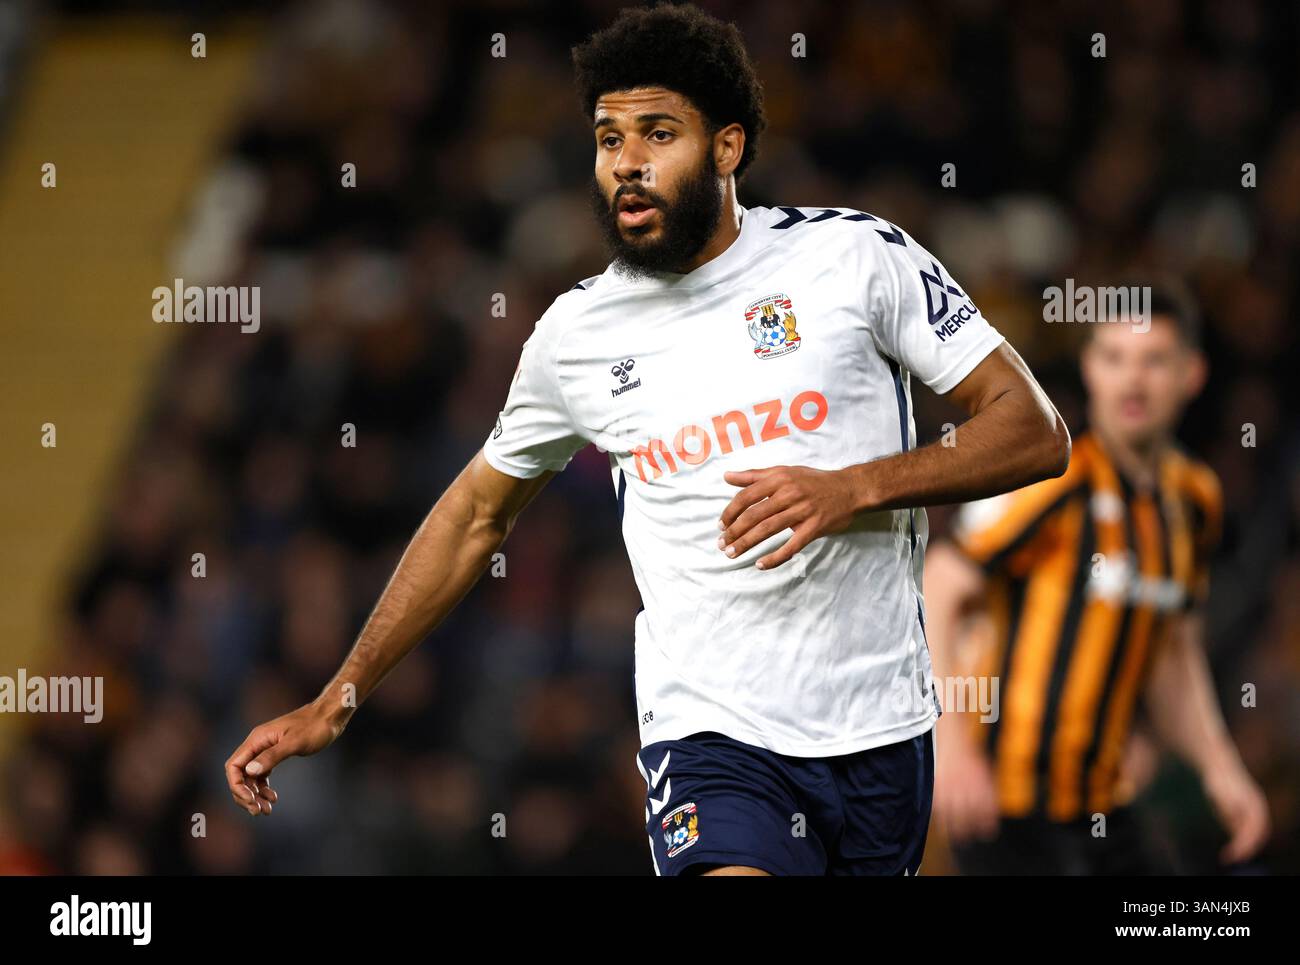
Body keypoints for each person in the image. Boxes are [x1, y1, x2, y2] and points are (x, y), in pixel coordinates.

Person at [225, 2, 1070, 876]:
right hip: (709, 741)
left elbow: (1033, 431)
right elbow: (478, 512)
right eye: (608, 137)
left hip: (881, 734)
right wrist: (339, 697)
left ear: (727, 149)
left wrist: (852, 486)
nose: (626, 162)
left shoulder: (855, 261)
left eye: (658, 133)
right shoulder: (576, 334)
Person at [926, 282, 1271, 874]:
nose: (1132, 381)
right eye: (1114, 359)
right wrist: (952, 748)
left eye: (1154, 361)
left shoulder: (1194, 500)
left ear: (1192, 373)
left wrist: (1221, 769)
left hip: (1102, 803)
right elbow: (940, 583)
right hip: (1004, 806)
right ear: (1090, 369)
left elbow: (1173, 652)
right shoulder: (1052, 483)